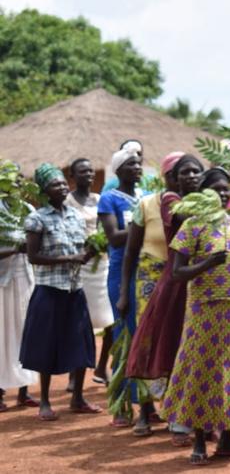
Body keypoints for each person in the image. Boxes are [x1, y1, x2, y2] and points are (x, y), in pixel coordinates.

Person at [161, 167, 230, 465]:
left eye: (227, 189)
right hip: (203, 310)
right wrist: (207, 263)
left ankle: (227, 439)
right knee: (200, 372)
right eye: (217, 189)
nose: (224, 193)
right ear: (205, 194)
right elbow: (177, 273)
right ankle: (200, 441)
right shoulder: (192, 226)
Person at [126, 154, 205, 445]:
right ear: (170, 177)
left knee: (190, 347)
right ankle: (158, 412)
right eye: (184, 172)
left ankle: (189, 413)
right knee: (165, 344)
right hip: (171, 282)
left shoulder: (204, 201)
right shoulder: (168, 201)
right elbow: (133, 250)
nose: (190, 177)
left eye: (197, 172)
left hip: (200, 282)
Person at [19, 164, 100, 421]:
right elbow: (33, 257)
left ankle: (77, 398)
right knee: (46, 344)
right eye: (56, 184)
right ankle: (44, 400)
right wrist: (69, 258)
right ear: (45, 190)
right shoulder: (37, 218)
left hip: (74, 289)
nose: (63, 187)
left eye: (63, 184)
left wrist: (90, 252)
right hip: (50, 290)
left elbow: (82, 250)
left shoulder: (75, 216)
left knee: (80, 342)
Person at [118, 151, 187, 436]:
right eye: (173, 174)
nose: (177, 180)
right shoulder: (146, 204)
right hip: (149, 278)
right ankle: (146, 410)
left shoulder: (193, 205)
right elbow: (130, 252)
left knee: (177, 340)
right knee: (148, 339)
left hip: (182, 279)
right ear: (166, 176)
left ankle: (175, 408)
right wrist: (123, 293)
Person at [97, 147, 143, 427]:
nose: (137, 168)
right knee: (125, 336)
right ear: (118, 170)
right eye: (131, 164)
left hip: (147, 272)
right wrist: (142, 224)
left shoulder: (146, 198)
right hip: (122, 274)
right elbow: (114, 238)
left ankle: (146, 402)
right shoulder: (109, 199)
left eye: (139, 164)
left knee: (145, 335)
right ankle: (121, 404)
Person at [65, 158, 115, 387]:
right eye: (82, 171)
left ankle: (102, 366)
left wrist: (102, 243)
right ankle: (75, 375)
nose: (89, 175)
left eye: (90, 171)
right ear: (72, 176)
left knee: (110, 321)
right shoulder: (67, 202)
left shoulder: (99, 200)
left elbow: (107, 228)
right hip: (79, 266)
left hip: (103, 264)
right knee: (79, 322)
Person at [0, 182, 38, 413]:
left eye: (17, 182)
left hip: (25, 278)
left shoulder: (27, 210)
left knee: (26, 330)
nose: (14, 187)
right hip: (2, 281)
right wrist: (16, 249)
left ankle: (25, 390)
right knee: (2, 334)